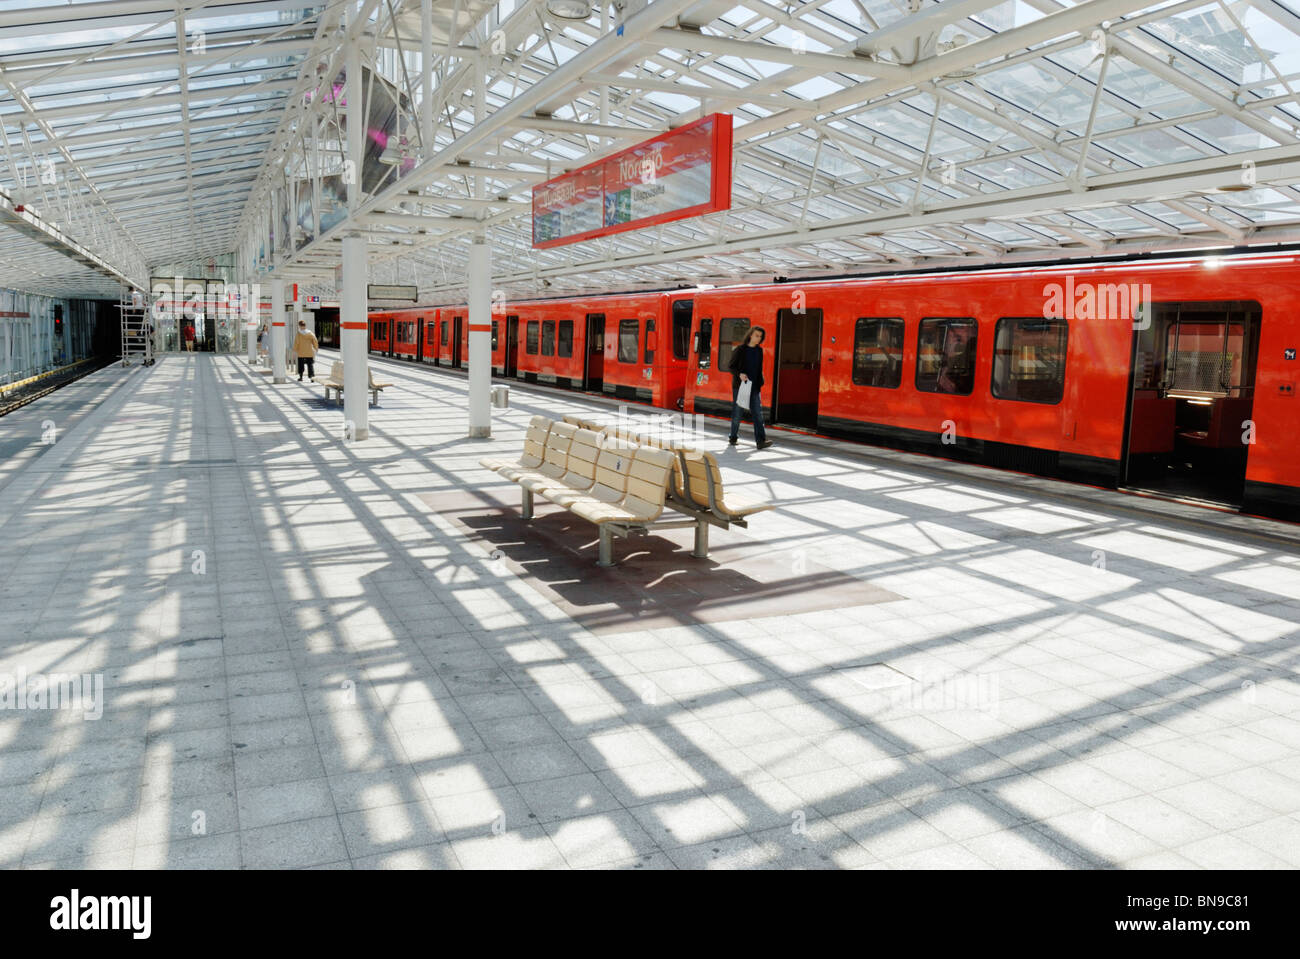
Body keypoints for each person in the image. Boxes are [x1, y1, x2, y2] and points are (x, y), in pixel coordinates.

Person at [726, 326, 773, 450]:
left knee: (758, 414)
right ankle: (733, 437)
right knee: (738, 413)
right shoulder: (740, 350)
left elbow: (758, 369)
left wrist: (759, 384)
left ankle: (761, 441)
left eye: (760, 337)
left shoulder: (759, 351)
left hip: (755, 387)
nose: (759, 338)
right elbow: (731, 366)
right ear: (750, 335)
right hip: (741, 387)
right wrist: (739, 374)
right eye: (757, 335)